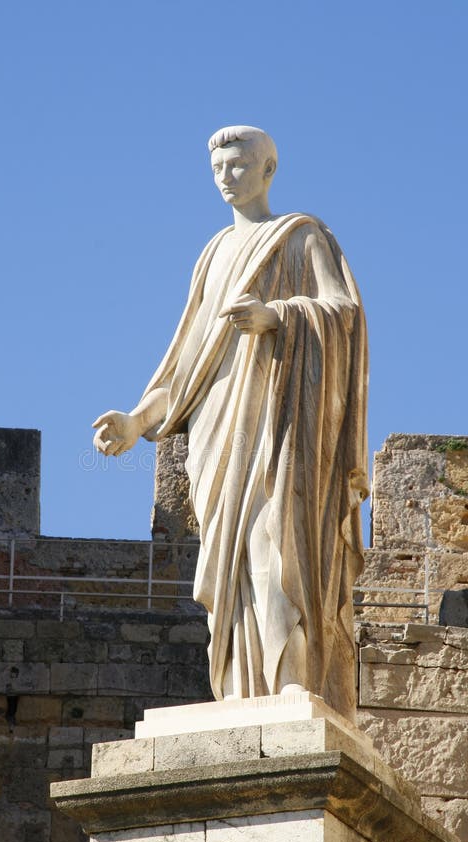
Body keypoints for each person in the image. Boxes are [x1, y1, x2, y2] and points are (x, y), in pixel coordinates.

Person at [93, 125, 368, 720]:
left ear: (269, 171)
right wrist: (139, 420)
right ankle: (243, 689)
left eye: (240, 165)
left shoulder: (300, 236)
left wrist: (280, 317)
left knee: (276, 540)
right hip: (220, 430)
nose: (226, 176)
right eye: (218, 166)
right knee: (235, 559)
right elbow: (188, 358)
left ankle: (290, 679)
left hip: (280, 422)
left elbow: (343, 313)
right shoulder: (213, 254)